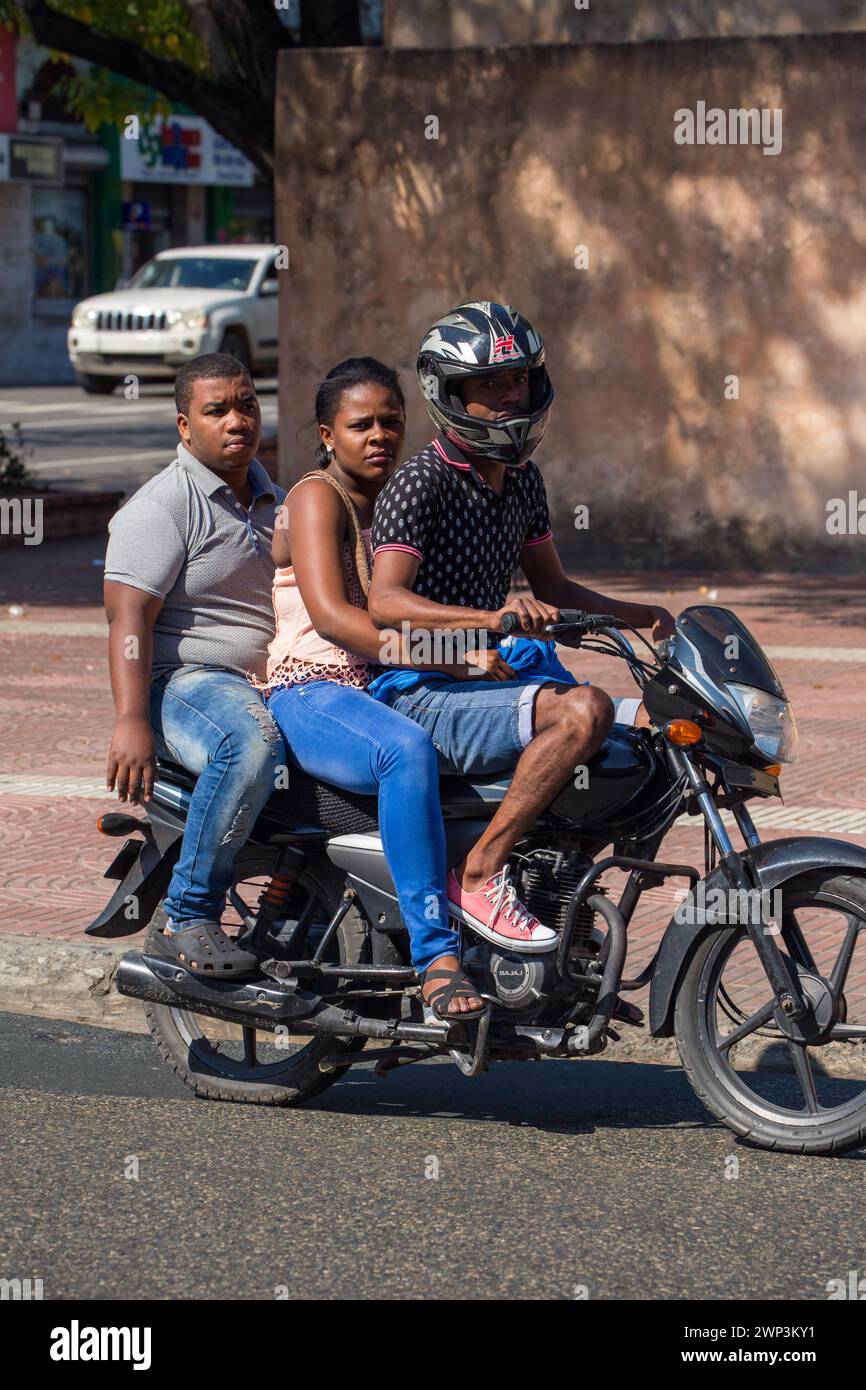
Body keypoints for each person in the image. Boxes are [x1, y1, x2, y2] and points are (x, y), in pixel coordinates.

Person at [367, 300, 676, 948]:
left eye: (518, 380)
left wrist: (641, 614)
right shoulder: (421, 484)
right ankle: (479, 872)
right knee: (584, 711)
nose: (511, 396)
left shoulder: (523, 479)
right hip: (419, 683)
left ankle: (563, 889)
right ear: (450, 394)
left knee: (660, 734)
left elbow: (554, 588)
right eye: (490, 385)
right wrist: (489, 617)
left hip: (496, 672)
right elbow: (386, 604)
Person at [259, 355, 537, 1019]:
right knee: (404, 750)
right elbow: (336, 619)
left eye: (391, 421)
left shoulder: (399, 497)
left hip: (382, 682)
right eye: (361, 425)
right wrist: (452, 658)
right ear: (328, 435)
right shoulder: (313, 498)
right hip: (313, 688)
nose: (379, 435)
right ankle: (437, 958)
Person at [103, 353, 288, 977]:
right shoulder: (160, 507)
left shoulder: (278, 501)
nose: (237, 421)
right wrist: (132, 722)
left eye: (248, 406)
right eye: (217, 411)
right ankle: (188, 913)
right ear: (185, 426)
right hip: (187, 685)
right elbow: (129, 623)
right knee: (250, 744)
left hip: (276, 681)